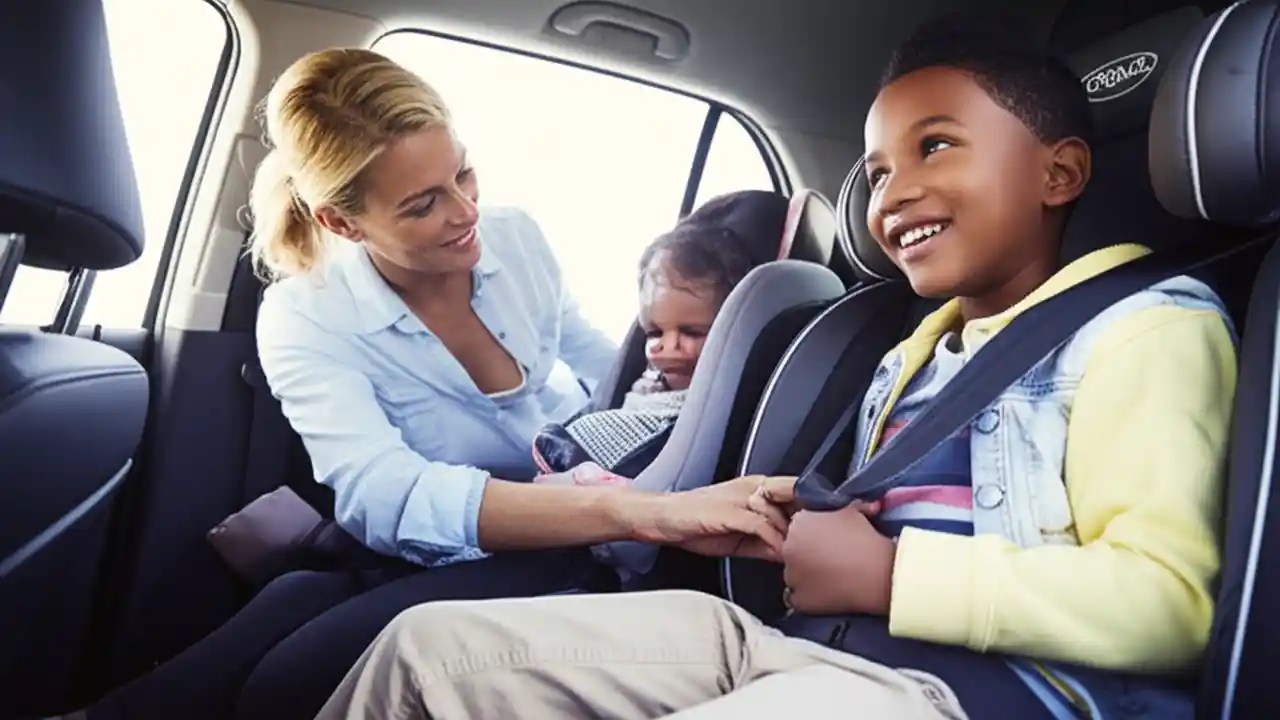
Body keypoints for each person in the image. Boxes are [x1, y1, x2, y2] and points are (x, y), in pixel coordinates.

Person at [314, 18, 1238, 720]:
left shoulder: (1142, 330)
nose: (895, 191)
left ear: (1058, 174)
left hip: (973, 692)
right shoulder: (913, 354)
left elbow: (1172, 605)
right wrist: (801, 524)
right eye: (877, 172)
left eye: (935, 146)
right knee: (425, 655)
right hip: (809, 647)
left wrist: (892, 576)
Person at [58, 48, 788, 720]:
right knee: (294, 601)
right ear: (342, 222)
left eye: (462, 175)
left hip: (575, 525)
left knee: (290, 675)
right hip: (454, 534)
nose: (465, 213)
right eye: (421, 204)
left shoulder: (515, 236)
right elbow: (382, 492)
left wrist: (680, 422)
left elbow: (601, 360)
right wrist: (630, 511)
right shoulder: (306, 312)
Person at [533, 207, 758, 482]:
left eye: (692, 332)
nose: (667, 346)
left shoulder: (716, 412)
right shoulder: (648, 386)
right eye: (654, 332)